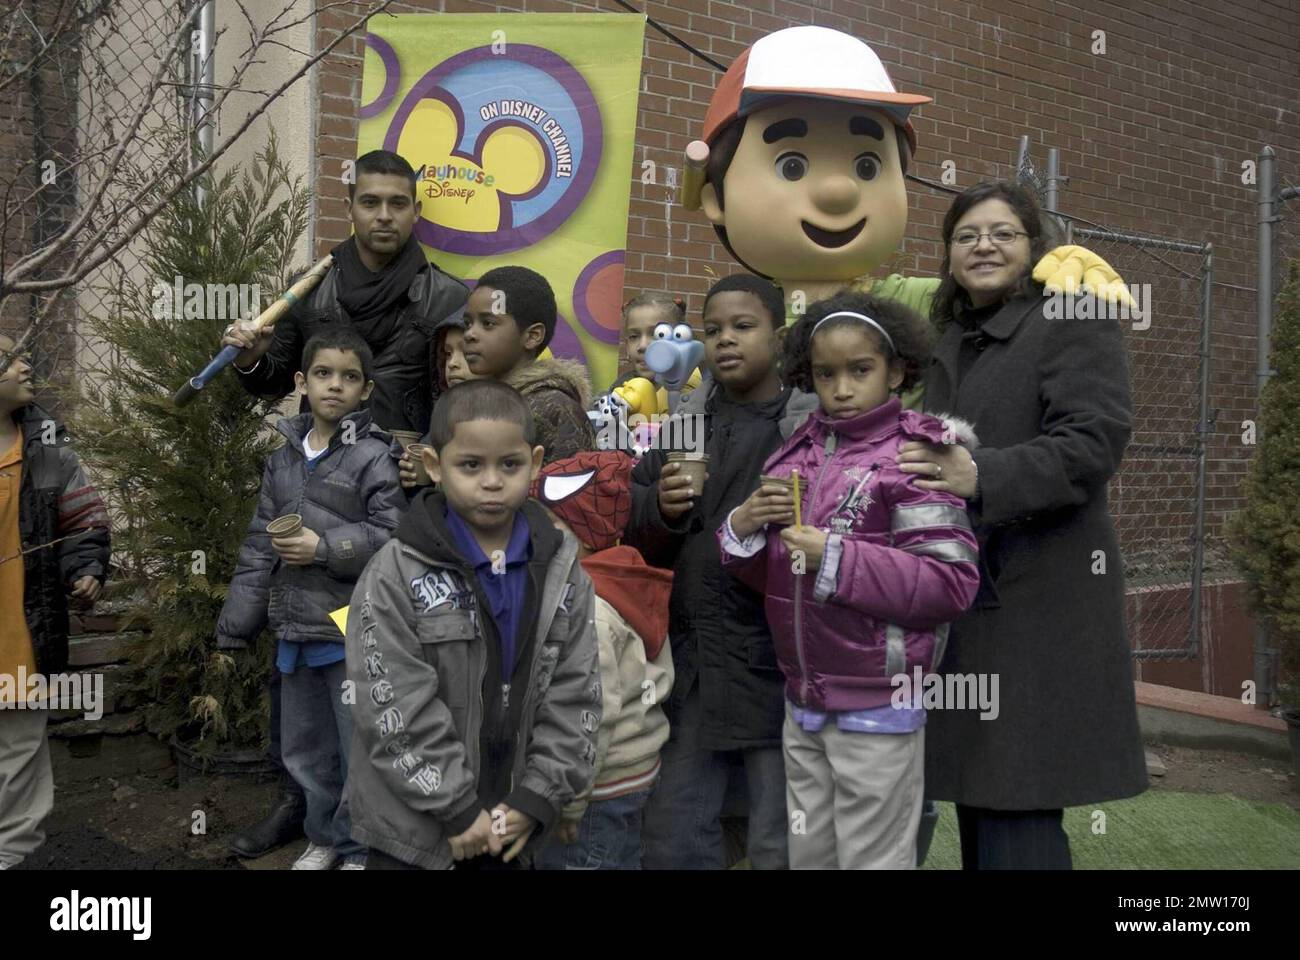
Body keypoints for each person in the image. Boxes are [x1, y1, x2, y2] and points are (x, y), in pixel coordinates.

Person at [219, 149, 468, 856]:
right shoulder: (313, 290)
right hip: (318, 490)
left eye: (398, 203)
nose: (384, 215)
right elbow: (273, 382)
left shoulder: (443, 296)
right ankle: (303, 804)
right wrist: (248, 357)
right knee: (303, 658)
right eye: (371, 202)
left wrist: (441, 467)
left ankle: (382, 823)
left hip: (403, 500)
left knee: (385, 668)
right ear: (352, 205)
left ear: (416, 211)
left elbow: (462, 392)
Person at [894, 180, 1147, 869]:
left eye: (1004, 232)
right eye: (967, 234)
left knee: (1016, 802)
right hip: (968, 599)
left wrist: (983, 476)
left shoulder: (1070, 315)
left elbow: (1093, 442)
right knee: (985, 797)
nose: (984, 245)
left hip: (1040, 601)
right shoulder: (957, 336)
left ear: (1037, 247)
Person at [718, 292, 979, 868]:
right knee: (810, 854)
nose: (840, 387)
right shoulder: (795, 453)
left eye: (859, 370)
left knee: (872, 860)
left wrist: (835, 556)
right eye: (824, 373)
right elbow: (777, 576)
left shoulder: (917, 454)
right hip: (802, 699)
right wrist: (743, 530)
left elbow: (949, 582)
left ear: (897, 370)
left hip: (880, 702)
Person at [345, 379, 600, 870]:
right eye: (470, 465)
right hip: (416, 834)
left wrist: (537, 798)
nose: (491, 481)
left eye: (510, 464)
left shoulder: (563, 571)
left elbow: (577, 693)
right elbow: (391, 703)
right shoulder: (396, 572)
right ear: (435, 467)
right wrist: (456, 807)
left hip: (513, 826)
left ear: (537, 462)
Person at [625, 273, 806, 870]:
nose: (726, 340)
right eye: (713, 330)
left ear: (778, 338)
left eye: (743, 327)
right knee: (673, 832)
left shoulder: (804, 428)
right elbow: (634, 505)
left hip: (776, 662)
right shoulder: (687, 420)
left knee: (778, 838)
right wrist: (662, 508)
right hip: (695, 660)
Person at [216, 328, 404, 870]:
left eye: (349, 378)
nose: (335, 386)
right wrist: (237, 624)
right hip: (293, 629)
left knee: (356, 749)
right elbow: (258, 545)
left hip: (348, 630)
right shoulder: (282, 462)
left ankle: (357, 848)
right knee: (304, 747)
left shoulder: (374, 458)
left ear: (365, 391)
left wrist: (326, 547)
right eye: (323, 374)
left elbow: (393, 537)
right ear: (301, 381)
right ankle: (321, 836)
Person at [529, 451, 674, 871]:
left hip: (594, 789)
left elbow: (590, 713)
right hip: (627, 772)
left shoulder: (587, 609)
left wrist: (568, 800)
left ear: (584, 534)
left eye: (546, 527)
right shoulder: (620, 578)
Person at [0, 334, 110, 869]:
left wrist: (86, 569)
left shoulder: (48, 452)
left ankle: (13, 856)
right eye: (9, 359)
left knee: (19, 749)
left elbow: (85, 522)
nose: (26, 365)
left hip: (21, 632)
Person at [460, 265, 596, 463]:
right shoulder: (469, 402)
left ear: (532, 336)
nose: (469, 334)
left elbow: (568, 489)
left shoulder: (556, 411)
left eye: (488, 323)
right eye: (468, 323)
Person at [396, 314, 484, 491]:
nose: (452, 364)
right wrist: (412, 480)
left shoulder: (511, 418)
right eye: (448, 353)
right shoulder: (444, 419)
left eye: (466, 353)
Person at [611, 295, 687, 390]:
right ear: (627, 347)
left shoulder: (701, 398)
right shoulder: (614, 396)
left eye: (658, 335)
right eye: (634, 336)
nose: (642, 345)